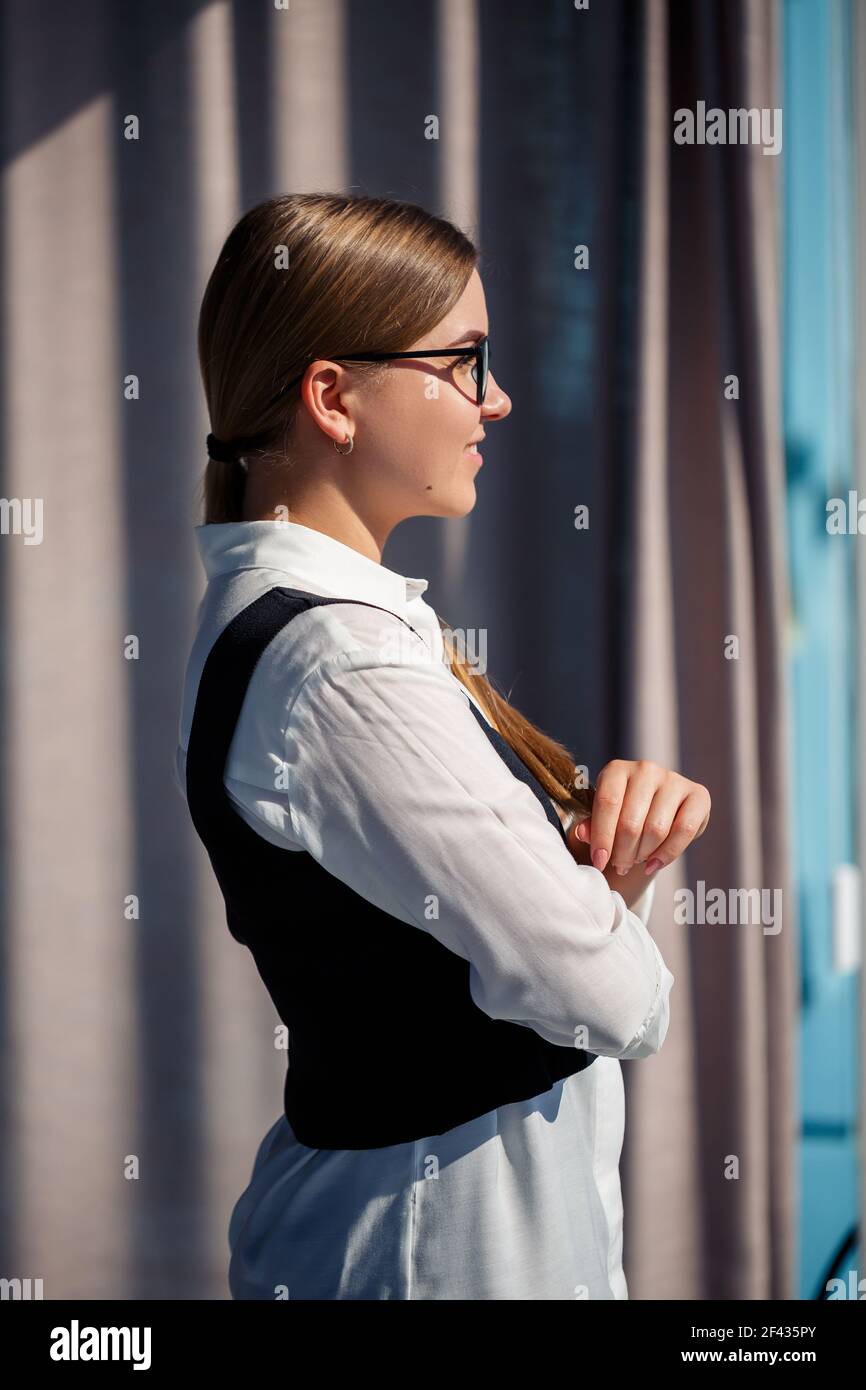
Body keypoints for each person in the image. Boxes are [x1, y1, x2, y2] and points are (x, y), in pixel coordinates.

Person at [175, 192, 709, 1300]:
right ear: (333, 396)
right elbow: (615, 997)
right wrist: (604, 894)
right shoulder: (341, 667)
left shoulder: (317, 627)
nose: (497, 399)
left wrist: (596, 870)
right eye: (464, 361)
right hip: (433, 1258)